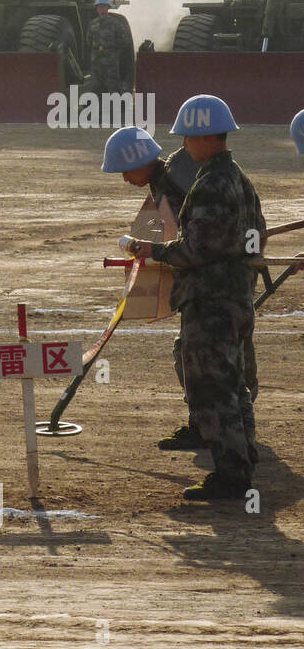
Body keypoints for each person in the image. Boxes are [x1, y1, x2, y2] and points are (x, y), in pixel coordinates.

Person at [122, 95, 265, 501]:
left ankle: (232, 477)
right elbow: (256, 234)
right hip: (236, 296)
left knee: (211, 389)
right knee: (233, 385)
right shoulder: (238, 178)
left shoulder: (209, 185)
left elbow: (194, 251)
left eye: (188, 136)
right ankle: (242, 463)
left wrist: (152, 251)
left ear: (205, 137)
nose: (183, 145)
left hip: (210, 302)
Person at [101, 125, 259, 451]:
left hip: (216, 283)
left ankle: (230, 443)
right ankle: (206, 427)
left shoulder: (180, 177)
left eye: (125, 170)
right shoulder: (170, 178)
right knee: (195, 354)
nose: (124, 179)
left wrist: (158, 252)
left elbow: (204, 235)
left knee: (213, 359)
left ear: (139, 161)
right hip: (215, 276)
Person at [84, 0, 134, 95]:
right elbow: (89, 40)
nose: (101, 10)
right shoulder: (92, 24)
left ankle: (114, 107)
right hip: (96, 58)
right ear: (97, 9)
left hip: (111, 58)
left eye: (104, 7)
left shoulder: (116, 23)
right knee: (96, 84)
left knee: (113, 84)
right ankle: (97, 107)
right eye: (99, 7)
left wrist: (113, 49)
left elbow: (124, 40)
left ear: (108, 8)